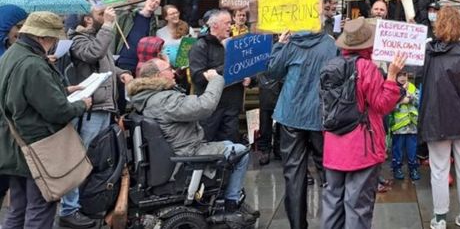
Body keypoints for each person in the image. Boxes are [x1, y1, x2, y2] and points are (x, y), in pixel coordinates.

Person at [127, 58, 259, 225]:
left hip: (180, 149)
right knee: (240, 151)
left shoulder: (146, 98)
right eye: (169, 69)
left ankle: (231, 198)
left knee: (227, 145)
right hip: (187, 155)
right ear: (157, 76)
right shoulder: (164, 100)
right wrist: (216, 79)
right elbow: (205, 106)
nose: (174, 72)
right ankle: (231, 204)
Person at [0, 12, 91, 229]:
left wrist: (62, 89)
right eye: (54, 39)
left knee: (18, 209)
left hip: (14, 144)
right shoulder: (33, 64)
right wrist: (82, 105)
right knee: (40, 208)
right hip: (36, 146)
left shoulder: (11, 54)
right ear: (43, 38)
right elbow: (57, 111)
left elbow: (19, 94)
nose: (55, 44)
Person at [321, 18, 403, 229]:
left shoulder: (330, 66)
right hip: (362, 147)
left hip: (333, 148)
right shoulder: (367, 68)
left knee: (332, 203)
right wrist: (392, 76)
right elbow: (382, 105)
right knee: (358, 206)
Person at [61, 5, 134, 228]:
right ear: (88, 19)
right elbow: (92, 53)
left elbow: (105, 65)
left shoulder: (96, 37)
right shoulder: (78, 39)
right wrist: (110, 26)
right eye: (101, 14)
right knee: (81, 159)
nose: (107, 16)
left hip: (102, 108)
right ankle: (69, 209)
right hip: (90, 111)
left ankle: (87, 204)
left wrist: (123, 74)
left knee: (97, 160)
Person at [419, 5, 460, 229]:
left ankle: (439, 219)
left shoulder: (427, 51)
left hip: (435, 117)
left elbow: (415, 73)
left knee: (438, 169)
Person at [266, 27, 337, 229]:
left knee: (294, 175)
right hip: (320, 115)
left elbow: (272, 71)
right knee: (330, 172)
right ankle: (333, 222)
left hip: (291, 115)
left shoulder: (291, 44)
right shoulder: (330, 44)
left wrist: (279, 44)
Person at [189, 10, 248, 143]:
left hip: (232, 105)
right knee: (208, 144)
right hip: (211, 109)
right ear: (214, 25)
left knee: (231, 146)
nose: (230, 26)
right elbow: (197, 77)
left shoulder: (235, 45)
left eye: (230, 23)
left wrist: (249, 78)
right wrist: (227, 68)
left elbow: (245, 67)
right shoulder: (200, 46)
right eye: (227, 23)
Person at [115, 0, 161, 74]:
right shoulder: (129, 16)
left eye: (157, 3)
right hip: (125, 58)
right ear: (146, 1)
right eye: (152, 0)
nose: (153, 4)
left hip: (142, 62)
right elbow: (115, 35)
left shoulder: (154, 23)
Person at [390, 71, 420, 181]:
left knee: (412, 149)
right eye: (400, 75)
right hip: (399, 126)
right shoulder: (392, 88)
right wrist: (401, 101)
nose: (402, 78)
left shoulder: (411, 87)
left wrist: (410, 97)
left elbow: (419, 101)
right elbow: (388, 106)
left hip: (412, 125)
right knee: (398, 149)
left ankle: (413, 168)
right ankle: (397, 168)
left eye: (404, 75)